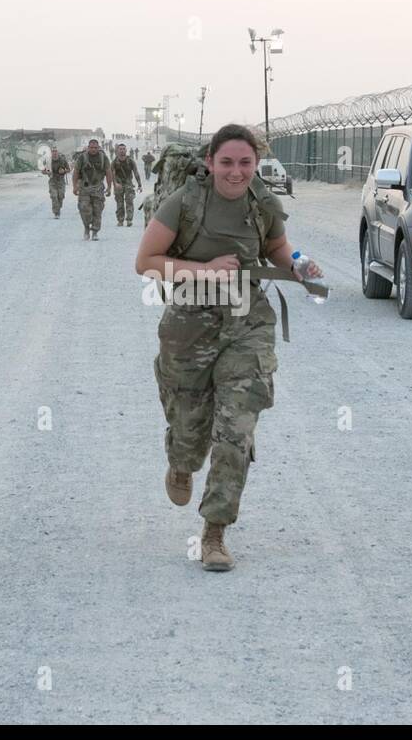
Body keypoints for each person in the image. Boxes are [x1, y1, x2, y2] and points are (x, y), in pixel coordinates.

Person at [135, 124, 323, 572]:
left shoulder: (263, 203)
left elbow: (277, 247)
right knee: (189, 426)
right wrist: (204, 269)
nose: (236, 173)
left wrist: (298, 264)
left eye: (245, 163)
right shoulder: (184, 203)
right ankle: (181, 463)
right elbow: (146, 263)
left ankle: (215, 531)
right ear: (209, 162)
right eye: (227, 162)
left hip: (247, 322)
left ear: (255, 164)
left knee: (236, 428)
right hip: (189, 325)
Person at [73, 138, 109, 240]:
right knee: (84, 208)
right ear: (88, 148)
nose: (93, 149)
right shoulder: (82, 157)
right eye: (91, 147)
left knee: (97, 211)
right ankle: (86, 227)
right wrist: (75, 186)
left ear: (98, 148)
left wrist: (110, 186)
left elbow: (108, 172)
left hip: (98, 188)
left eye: (95, 148)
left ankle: (95, 232)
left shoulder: (103, 158)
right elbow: (75, 172)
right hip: (85, 188)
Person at [110, 142, 143, 227]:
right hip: (118, 185)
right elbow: (111, 174)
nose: (122, 151)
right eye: (120, 149)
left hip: (128, 184)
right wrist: (115, 184)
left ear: (126, 150)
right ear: (117, 150)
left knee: (129, 202)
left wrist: (139, 185)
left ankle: (129, 220)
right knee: (119, 203)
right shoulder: (114, 162)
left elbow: (136, 172)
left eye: (123, 149)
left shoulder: (130, 161)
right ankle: (120, 220)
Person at [43, 146, 71, 218]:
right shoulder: (48, 161)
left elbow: (69, 169)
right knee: (54, 196)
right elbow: (43, 171)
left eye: (55, 151)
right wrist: (47, 172)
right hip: (52, 181)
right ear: (51, 153)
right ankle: (56, 213)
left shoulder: (62, 160)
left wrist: (64, 171)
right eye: (53, 151)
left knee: (61, 196)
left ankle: (58, 207)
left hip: (61, 181)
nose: (54, 153)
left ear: (57, 152)